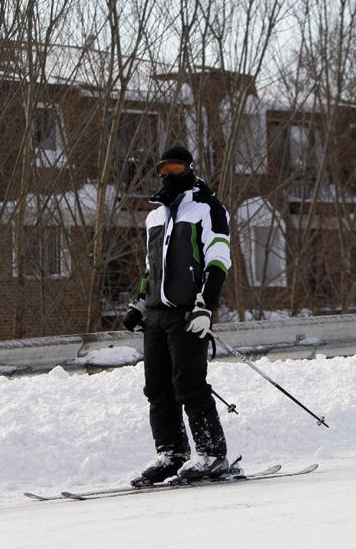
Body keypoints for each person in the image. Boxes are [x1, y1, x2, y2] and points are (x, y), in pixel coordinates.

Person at [122, 144, 232, 485]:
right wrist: (140, 303)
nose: (170, 174)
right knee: (157, 388)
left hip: (189, 312)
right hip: (156, 314)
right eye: (164, 169)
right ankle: (171, 453)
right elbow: (150, 267)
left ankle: (213, 455)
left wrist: (206, 306)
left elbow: (218, 259)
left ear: (190, 168)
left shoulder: (207, 208)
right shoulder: (154, 216)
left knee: (189, 385)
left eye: (177, 167)